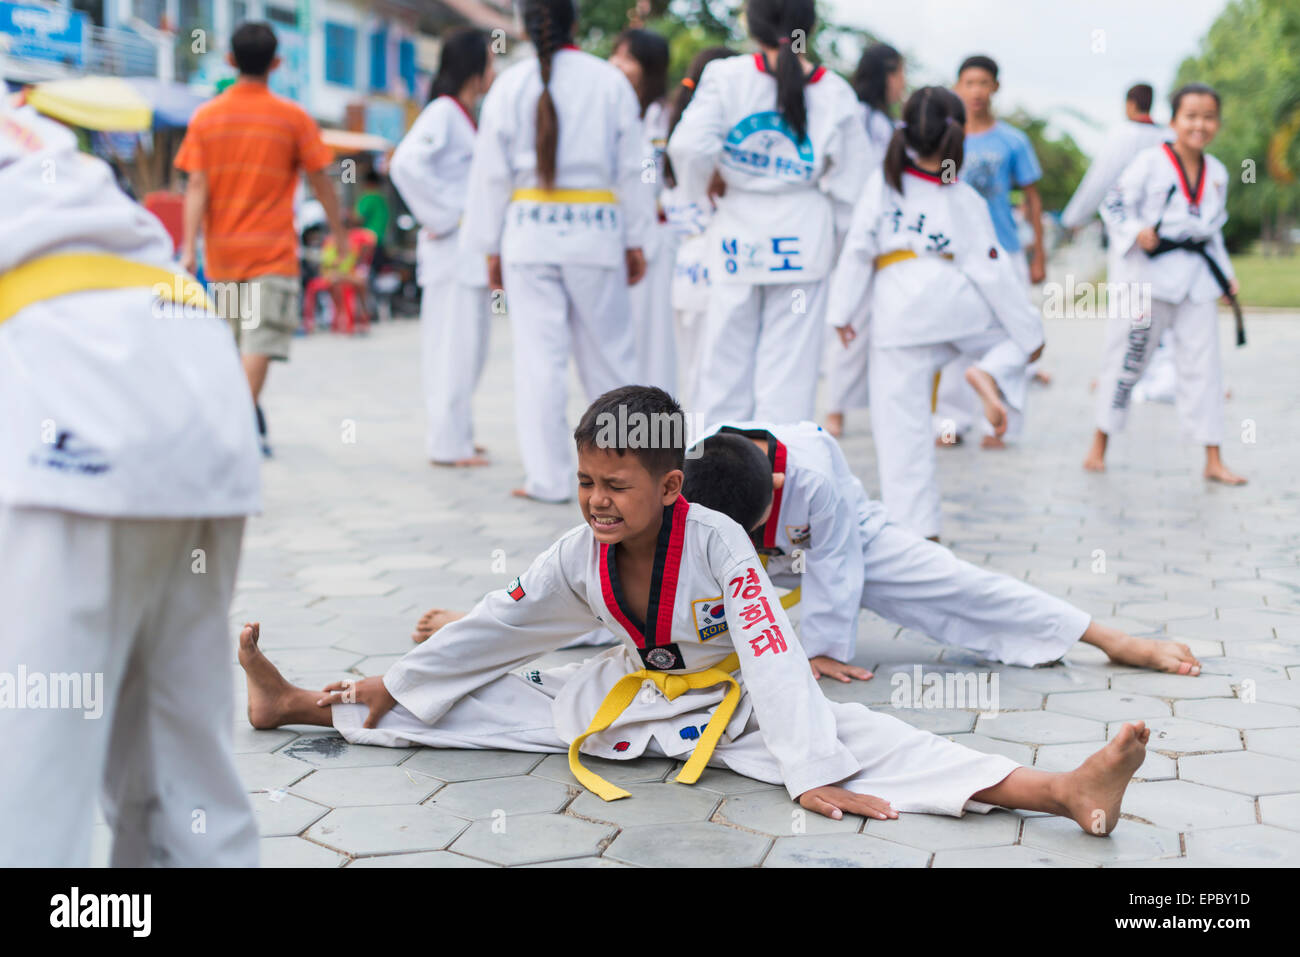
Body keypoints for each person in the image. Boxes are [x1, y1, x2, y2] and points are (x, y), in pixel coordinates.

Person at [238, 386, 1152, 835]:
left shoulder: (719, 545)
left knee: (880, 745)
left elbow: (773, 654)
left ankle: (1064, 789)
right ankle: (291, 704)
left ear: (671, 486)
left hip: (740, 705)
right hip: (625, 698)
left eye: (618, 486)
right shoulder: (576, 554)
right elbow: (497, 628)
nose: (597, 501)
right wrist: (391, 681)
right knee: (456, 698)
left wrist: (806, 769)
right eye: (586, 482)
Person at [0, 102, 261, 866]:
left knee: (30, 775)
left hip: (77, 385)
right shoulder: (26, 122)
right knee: (182, 768)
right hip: (194, 367)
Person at [682, 424, 1203, 682]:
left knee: (957, 585)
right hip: (751, 555)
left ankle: (1111, 639)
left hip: (849, 539)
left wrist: (822, 649)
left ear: (777, 483)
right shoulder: (692, 470)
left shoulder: (811, 475)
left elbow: (835, 568)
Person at [825, 87, 1043, 542]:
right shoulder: (962, 196)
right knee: (1014, 342)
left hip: (898, 313)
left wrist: (843, 312)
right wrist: (1029, 334)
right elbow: (990, 267)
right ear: (955, 136)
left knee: (900, 432)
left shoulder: (882, 186)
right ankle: (989, 370)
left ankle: (918, 533)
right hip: (956, 303)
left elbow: (858, 250)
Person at [460, 0, 651, 503]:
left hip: (527, 232)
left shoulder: (509, 85)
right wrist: (637, 237)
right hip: (596, 231)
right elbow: (635, 167)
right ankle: (629, 474)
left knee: (538, 361)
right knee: (611, 360)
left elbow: (489, 175)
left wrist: (488, 246)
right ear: (576, 23)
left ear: (524, 24)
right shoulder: (608, 82)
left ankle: (546, 478)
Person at [667, 0, 870, 425]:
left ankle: (720, 481)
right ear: (808, 26)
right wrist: (832, 240)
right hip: (803, 240)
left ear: (752, 23)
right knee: (790, 376)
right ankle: (780, 478)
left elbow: (687, 147)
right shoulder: (834, 91)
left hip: (736, 234)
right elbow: (856, 188)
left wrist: (700, 197)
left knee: (722, 367)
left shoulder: (726, 75)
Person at [176, 20, 349, 458]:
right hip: (271, 257)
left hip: (223, 259)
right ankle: (230, 432)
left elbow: (196, 186)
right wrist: (339, 235)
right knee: (261, 344)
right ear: (277, 63)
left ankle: (229, 429)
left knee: (235, 348)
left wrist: (187, 249)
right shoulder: (293, 118)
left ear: (230, 60)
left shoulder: (206, 117)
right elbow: (322, 180)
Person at [1083, 83, 1245, 485]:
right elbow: (1113, 204)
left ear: (1217, 123)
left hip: (1197, 281)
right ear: (1173, 121)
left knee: (1204, 369)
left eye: (1208, 117)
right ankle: (1099, 442)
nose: (1199, 125)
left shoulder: (1219, 172)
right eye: (1191, 116)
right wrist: (1136, 230)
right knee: (1127, 361)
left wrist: (1226, 277)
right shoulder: (1148, 162)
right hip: (1148, 279)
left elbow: (1213, 233)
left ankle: (1213, 457)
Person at [390, 29, 496, 467]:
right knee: (452, 349)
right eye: (490, 61)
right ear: (474, 67)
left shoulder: (463, 115)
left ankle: (458, 435)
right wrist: (450, 215)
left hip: (463, 253)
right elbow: (405, 164)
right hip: (451, 249)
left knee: (467, 349)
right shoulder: (443, 113)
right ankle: (447, 444)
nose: (494, 70)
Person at [934, 54, 1048, 447]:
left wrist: (1039, 255)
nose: (977, 91)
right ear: (958, 86)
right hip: (961, 256)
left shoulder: (1013, 140)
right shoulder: (948, 137)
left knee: (1015, 332)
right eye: (969, 82)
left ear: (995, 87)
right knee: (956, 337)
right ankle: (951, 422)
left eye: (984, 83)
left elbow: (1032, 199)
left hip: (1006, 250)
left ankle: (998, 427)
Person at [1062, 83, 1177, 406]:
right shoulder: (1168, 135)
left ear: (1129, 104)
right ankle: (1155, 375)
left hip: (1128, 235)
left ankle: (1122, 377)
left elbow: (1100, 180)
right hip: (1165, 236)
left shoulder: (1124, 135)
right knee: (1160, 305)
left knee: (1127, 307)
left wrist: (1074, 217)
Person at [824, 42, 905, 440]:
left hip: (872, 229)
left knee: (863, 318)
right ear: (886, 74)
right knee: (849, 314)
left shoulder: (886, 124)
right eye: (899, 74)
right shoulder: (856, 116)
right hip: (849, 227)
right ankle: (835, 407)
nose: (902, 83)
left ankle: (847, 404)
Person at [660, 46, 737, 408]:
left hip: (687, 267)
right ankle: (712, 456)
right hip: (717, 262)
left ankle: (693, 451)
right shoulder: (713, 142)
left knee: (693, 374)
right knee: (719, 373)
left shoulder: (679, 130)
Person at [610, 28, 676, 395]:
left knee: (652, 343)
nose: (617, 64)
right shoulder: (613, 107)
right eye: (615, 54)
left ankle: (654, 432)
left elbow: (647, 179)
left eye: (628, 58)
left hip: (651, 238)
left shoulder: (657, 117)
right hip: (613, 236)